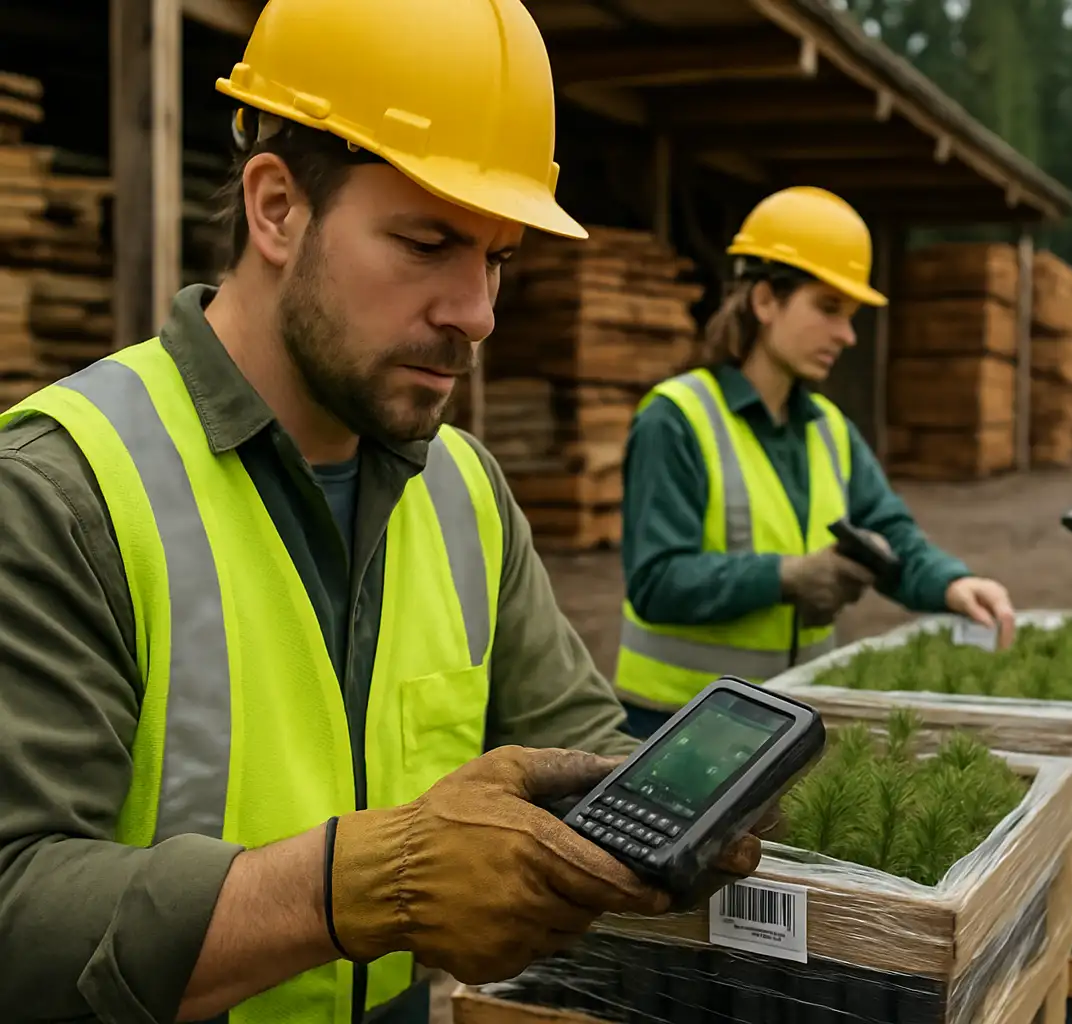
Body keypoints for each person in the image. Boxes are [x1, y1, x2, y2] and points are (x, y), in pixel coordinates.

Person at [0, 2, 758, 1022]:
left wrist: (687, 818)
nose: (477, 312)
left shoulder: (464, 491)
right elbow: (18, 913)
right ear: (275, 208)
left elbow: (579, 748)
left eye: (495, 258)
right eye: (428, 241)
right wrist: (360, 885)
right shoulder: (63, 489)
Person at [613, 185, 1017, 738]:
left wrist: (952, 584)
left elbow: (889, 532)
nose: (847, 334)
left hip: (790, 725)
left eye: (850, 314)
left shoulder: (830, 429)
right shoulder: (675, 420)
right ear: (764, 301)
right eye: (828, 308)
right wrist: (786, 577)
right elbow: (656, 581)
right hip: (674, 729)